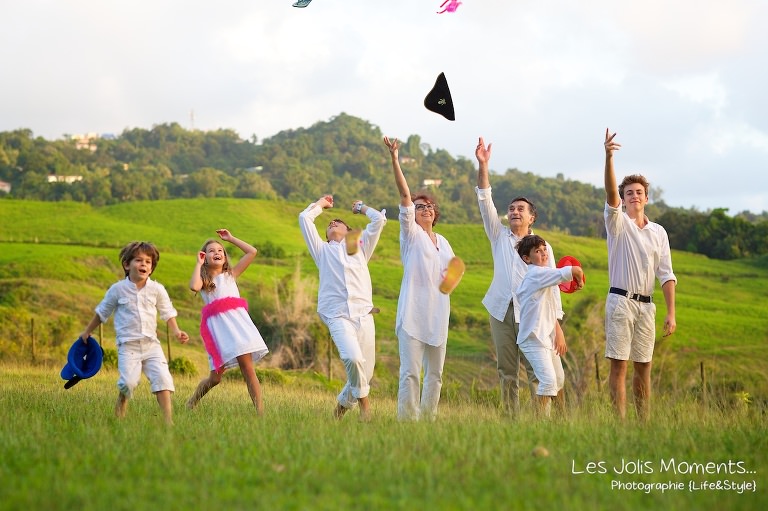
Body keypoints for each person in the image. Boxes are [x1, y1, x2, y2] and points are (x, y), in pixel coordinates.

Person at [475, 136, 567, 416]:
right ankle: (510, 421)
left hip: (533, 315)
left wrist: (557, 326)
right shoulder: (498, 235)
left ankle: (541, 421)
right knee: (507, 370)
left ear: (531, 218)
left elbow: (551, 288)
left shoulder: (542, 247)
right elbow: (484, 198)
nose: (514, 212)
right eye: (511, 209)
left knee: (537, 370)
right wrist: (483, 164)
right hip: (501, 310)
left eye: (520, 209)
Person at [385, 136, 461, 422]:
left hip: (438, 315)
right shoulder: (411, 235)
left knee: (436, 374)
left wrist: (452, 280)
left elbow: (453, 272)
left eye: (428, 207)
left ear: (435, 213)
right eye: (420, 207)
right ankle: (408, 421)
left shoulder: (443, 241)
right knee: (410, 372)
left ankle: (429, 420)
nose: (424, 209)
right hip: (413, 315)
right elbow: (404, 196)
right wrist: (395, 159)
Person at [603, 129, 677, 421]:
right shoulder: (617, 223)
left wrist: (671, 313)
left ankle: (643, 424)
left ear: (647, 197)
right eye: (628, 192)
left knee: (643, 366)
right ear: (623, 198)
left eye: (639, 192)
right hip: (620, 302)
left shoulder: (658, 232)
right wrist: (609, 157)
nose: (634, 196)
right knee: (619, 366)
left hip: (647, 305)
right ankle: (619, 425)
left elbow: (667, 275)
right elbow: (609, 192)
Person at [78, 241, 190, 425]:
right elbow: (102, 312)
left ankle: (169, 422)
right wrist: (87, 332)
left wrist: (177, 331)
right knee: (128, 383)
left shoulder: (157, 289)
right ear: (126, 264)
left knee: (163, 379)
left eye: (148, 261)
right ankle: (121, 404)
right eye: (139, 260)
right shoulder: (117, 289)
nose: (144, 264)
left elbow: (167, 312)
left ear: (152, 267)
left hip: (151, 345)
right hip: (128, 346)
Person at [299, 194, 387, 421]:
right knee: (352, 358)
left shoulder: (360, 246)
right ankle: (365, 410)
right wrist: (320, 205)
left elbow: (378, 221)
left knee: (363, 375)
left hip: (364, 315)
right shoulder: (322, 251)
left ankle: (336, 415)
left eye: (337, 222)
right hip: (336, 314)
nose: (331, 224)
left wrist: (361, 207)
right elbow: (304, 218)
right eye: (329, 224)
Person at [186, 229, 269, 414]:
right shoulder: (203, 281)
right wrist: (198, 264)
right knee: (215, 379)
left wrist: (231, 239)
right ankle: (192, 402)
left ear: (224, 257)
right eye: (211, 251)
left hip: (238, 328)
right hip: (218, 332)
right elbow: (193, 286)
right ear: (204, 257)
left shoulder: (231, 275)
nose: (216, 253)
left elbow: (252, 252)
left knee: (248, 369)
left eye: (220, 251)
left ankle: (260, 413)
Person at [515, 234, 584, 418]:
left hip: (546, 337)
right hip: (532, 339)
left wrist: (557, 331)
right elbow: (575, 270)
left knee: (559, 379)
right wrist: (579, 282)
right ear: (527, 259)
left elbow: (548, 308)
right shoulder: (536, 274)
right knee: (548, 381)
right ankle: (540, 424)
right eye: (538, 251)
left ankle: (558, 421)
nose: (544, 254)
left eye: (545, 249)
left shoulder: (543, 275)